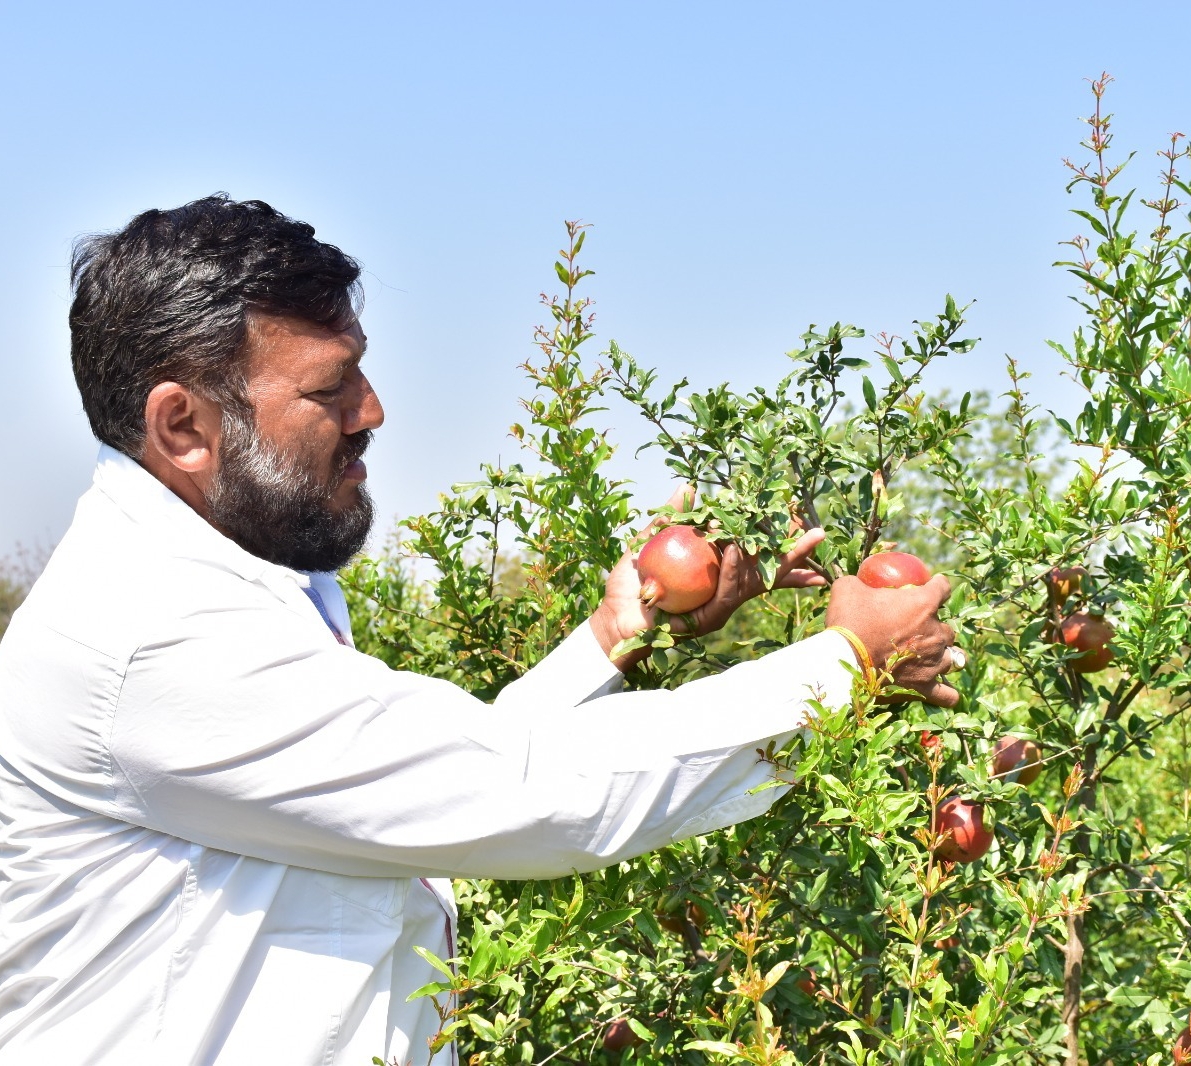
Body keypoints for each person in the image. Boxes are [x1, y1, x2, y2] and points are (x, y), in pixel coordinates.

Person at [0, 197, 963, 1064]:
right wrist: (843, 663)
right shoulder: (150, 642)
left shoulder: (226, 590)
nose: (371, 413)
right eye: (330, 390)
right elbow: (519, 795)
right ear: (183, 427)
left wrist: (618, 640)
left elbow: (426, 774)